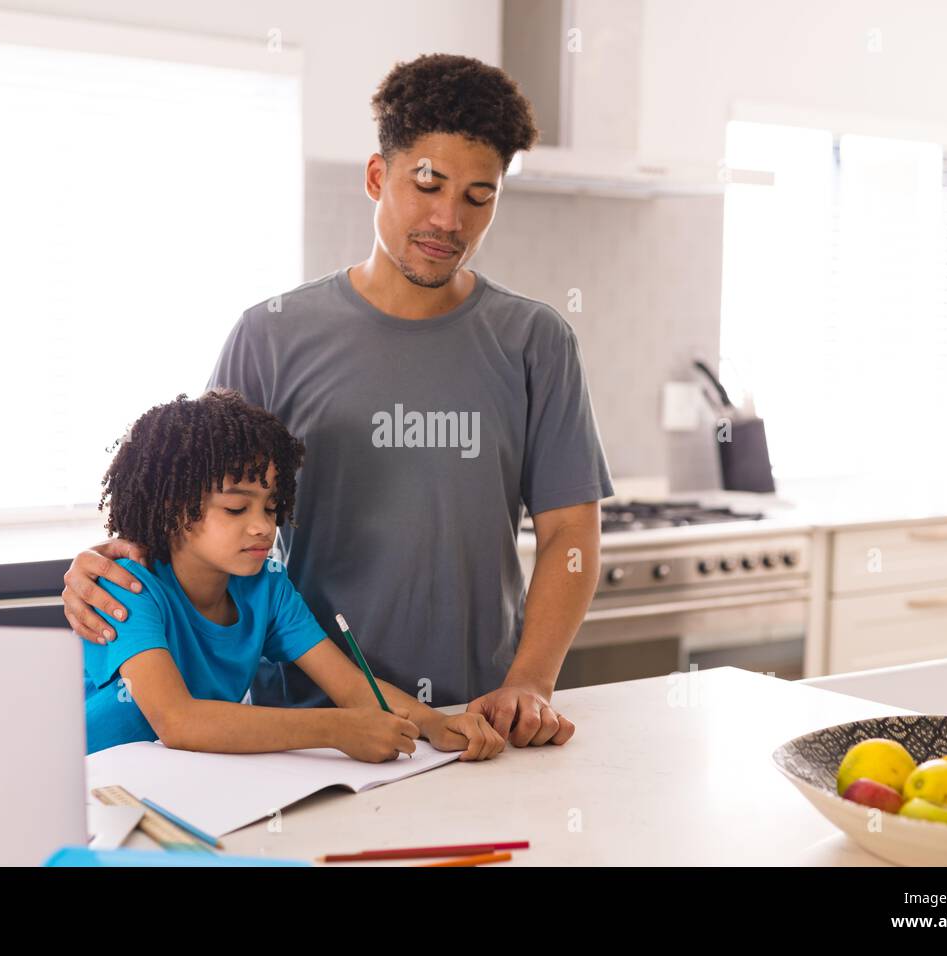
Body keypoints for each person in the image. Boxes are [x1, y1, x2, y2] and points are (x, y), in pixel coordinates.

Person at [64, 53, 611, 748]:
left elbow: (570, 535)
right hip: (305, 725)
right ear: (379, 177)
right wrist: (109, 569)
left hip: (477, 717)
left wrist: (531, 682)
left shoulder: (538, 341)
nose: (449, 218)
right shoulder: (272, 333)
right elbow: (197, 496)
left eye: (479, 196)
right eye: (428, 184)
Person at [82, 388, 504, 762]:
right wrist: (336, 729)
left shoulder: (266, 586)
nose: (264, 527)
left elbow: (353, 688)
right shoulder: (129, 587)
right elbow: (179, 722)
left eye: (270, 507)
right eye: (236, 508)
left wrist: (434, 724)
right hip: (97, 789)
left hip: (186, 782)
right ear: (175, 508)